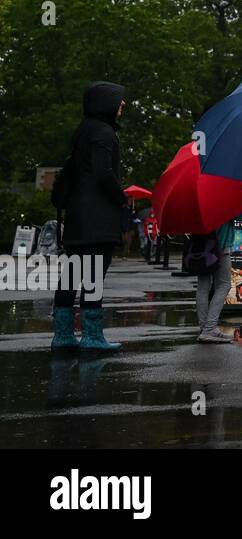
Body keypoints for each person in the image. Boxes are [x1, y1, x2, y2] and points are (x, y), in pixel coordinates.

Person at [52, 81, 131, 354]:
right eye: (119, 100)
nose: (123, 105)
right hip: (98, 218)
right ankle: (92, 337)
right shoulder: (104, 132)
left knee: (71, 276)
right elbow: (103, 172)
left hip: (76, 217)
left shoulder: (82, 132)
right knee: (94, 276)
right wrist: (122, 197)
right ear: (105, 102)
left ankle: (62, 336)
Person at [194, 212, 241, 343]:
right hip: (221, 246)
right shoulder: (224, 197)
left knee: (203, 286)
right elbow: (240, 215)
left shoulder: (200, 198)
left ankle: (204, 328)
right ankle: (209, 328)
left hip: (201, 246)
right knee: (224, 285)